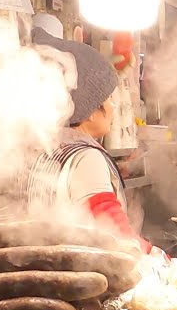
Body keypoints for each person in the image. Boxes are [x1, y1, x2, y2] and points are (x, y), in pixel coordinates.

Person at [30, 28, 144, 248]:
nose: (112, 107)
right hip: (82, 271)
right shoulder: (86, 158)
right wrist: (160, 260)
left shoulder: (49, 147)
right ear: (90, 109)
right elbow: (113, 229)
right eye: (108, 99)